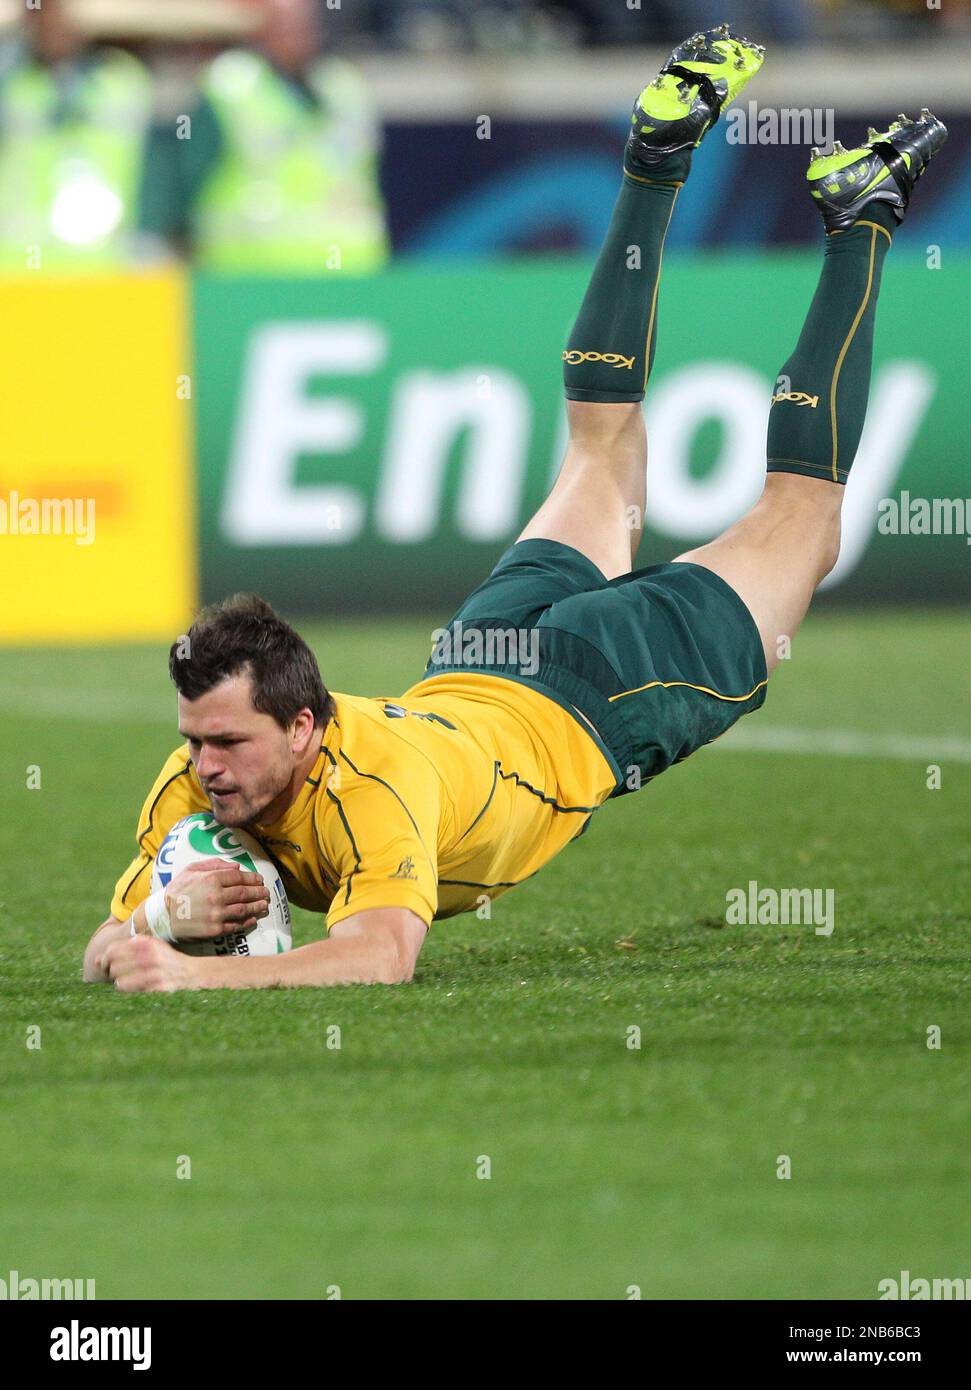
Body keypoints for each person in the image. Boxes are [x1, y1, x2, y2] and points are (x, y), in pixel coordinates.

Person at [84, 25, 946, 992]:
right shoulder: (191, 786)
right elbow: (102, 951)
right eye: (197, 739)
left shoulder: (368, 791)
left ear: (304, 728)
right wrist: (153, 916)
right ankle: (654, 160)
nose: (205, 766)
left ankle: (861, 217)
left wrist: (193, 976)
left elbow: (379, 957)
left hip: (594, 697)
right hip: (475, 658)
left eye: (228, 742)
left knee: (802, 517)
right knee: (600, 444)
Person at [148, 0, 388, 273]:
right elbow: (186, 177)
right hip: (251, 277)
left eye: (303, 23)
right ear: (260, 29)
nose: (295, 32)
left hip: (348, 273)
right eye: (283, 23)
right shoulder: (230, 86)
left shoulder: (345, 87)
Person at [0, 0, 154, 270]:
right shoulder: (12, 83)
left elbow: (158, 164)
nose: (52, 24)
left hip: (104, 263)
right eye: (42, 13)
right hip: (19, 265)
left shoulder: (122, 79)